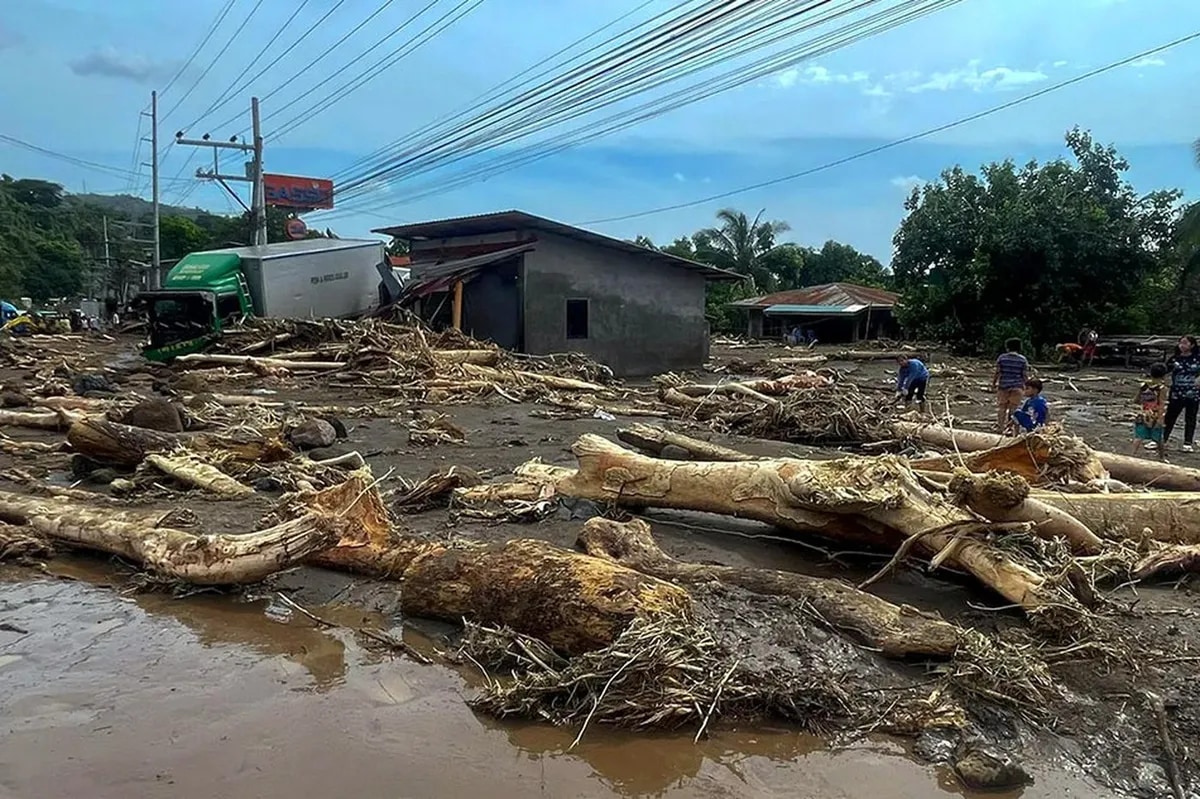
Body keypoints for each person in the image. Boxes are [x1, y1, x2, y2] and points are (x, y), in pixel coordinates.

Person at [1163, 335, 1200, 454]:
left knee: (1190, 418)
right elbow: (1163, 370)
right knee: (1169, 417)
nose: (1182, 345)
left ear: (1192, 345)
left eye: (1185, 343)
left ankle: (1187, 443)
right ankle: (1162, 440)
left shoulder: (1197, 358)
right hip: (1176, 393)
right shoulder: (1175, 359)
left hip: (1193, 393)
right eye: (1180, 343)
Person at [992, 338, 1030, 434]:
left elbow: (998, 372)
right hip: (1017, 386)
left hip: (1003, 385)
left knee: (1002, 407)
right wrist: (1028, 386)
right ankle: (1011, 429)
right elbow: (1024, 375)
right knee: (1014, 408)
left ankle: (1000, 427)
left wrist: (994, 383)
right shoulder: (1022, 359)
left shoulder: (1002, 358)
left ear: (1007, 347)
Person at [1132, 363, 1168, 454]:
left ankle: (1132, 455)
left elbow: (1136, 400)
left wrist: (1145, 402)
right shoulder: (1162, 388)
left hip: (1144, 414)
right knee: (1159, 438)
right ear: (1164, 375)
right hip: (1155, 415)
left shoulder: (1144, 386)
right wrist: (1161, 419)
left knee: (1138, 437)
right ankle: (1161, 458)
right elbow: (1162, 404)